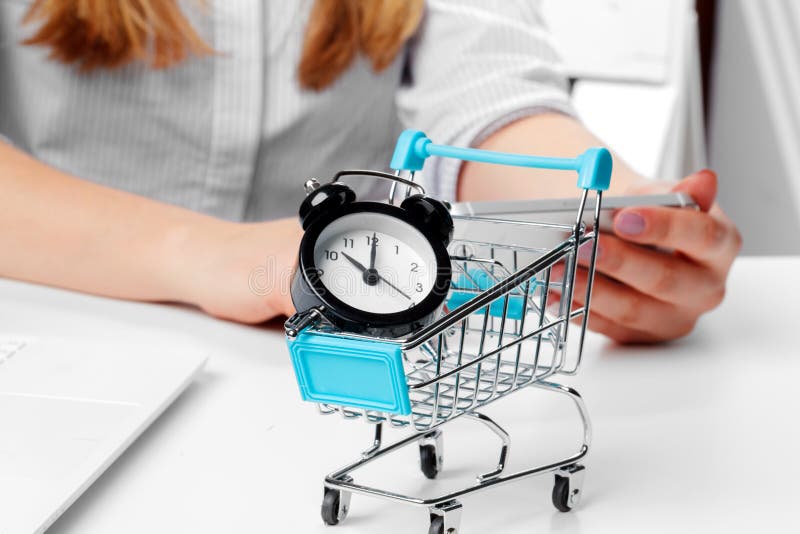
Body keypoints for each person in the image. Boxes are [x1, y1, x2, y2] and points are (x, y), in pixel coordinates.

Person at [0, 0, 741, 343]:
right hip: (60, 333)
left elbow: (490, 99)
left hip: (332, 340)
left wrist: (609, 219)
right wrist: (217, 257)